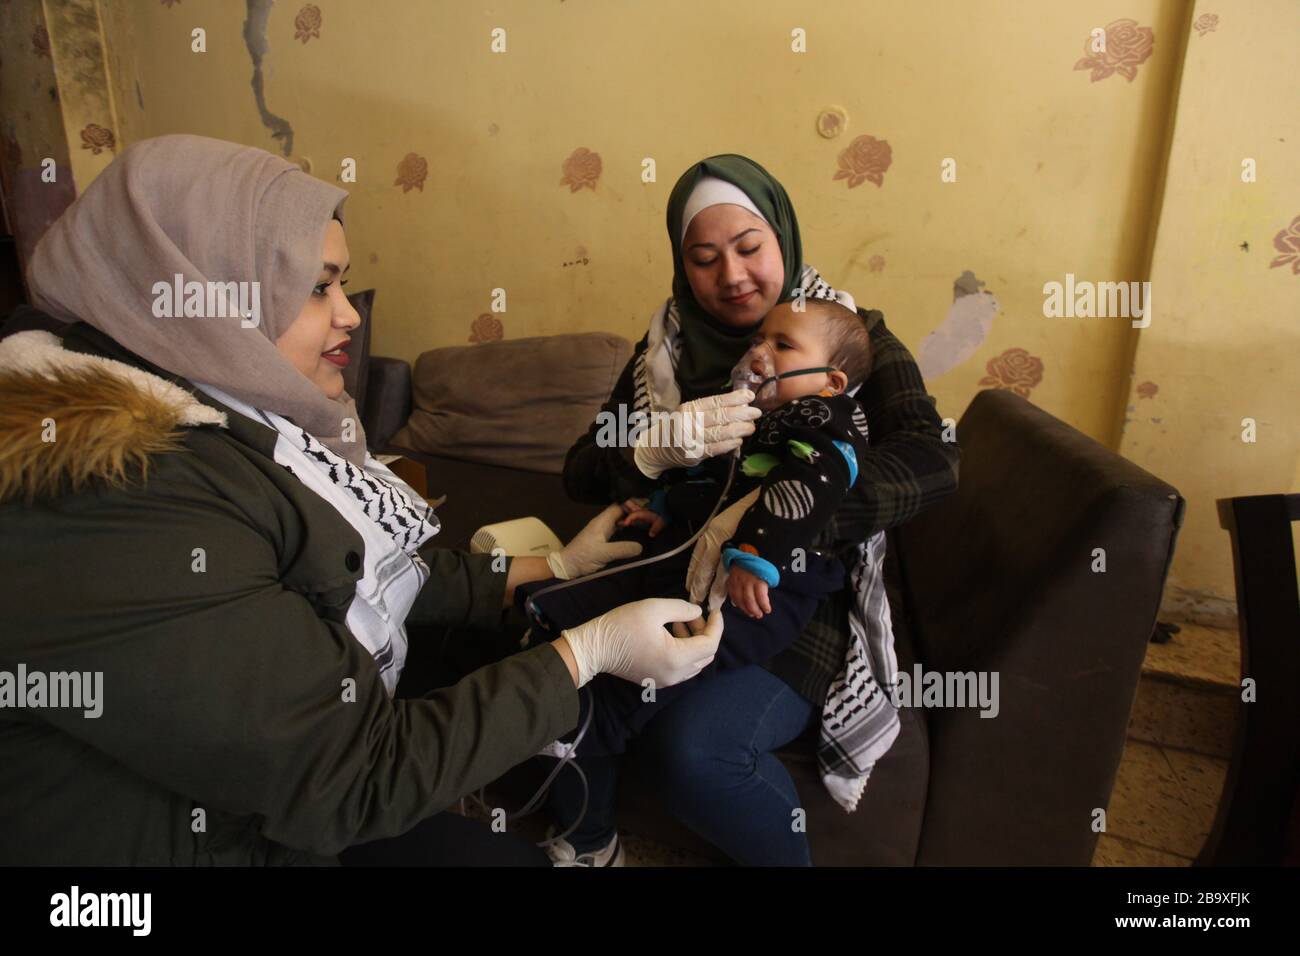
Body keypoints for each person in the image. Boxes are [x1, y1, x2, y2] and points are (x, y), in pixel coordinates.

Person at [0, 134, 722, 866]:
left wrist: (554, 569)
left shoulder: (220, 417)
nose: (348, 316)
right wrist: (586, 652)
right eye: (319, 287)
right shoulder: (119, 494)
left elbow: (343, 572)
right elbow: (349, 777)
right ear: (204, 294)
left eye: (342, 284)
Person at [556, 155, 960, 866]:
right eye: (705, 259)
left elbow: (932, 463)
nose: (733, 277)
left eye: (750, 249)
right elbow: (582, 469)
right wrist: (651, 455)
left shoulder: (849, 335)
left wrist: (775, 518)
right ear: (683, 267)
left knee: (692, 751)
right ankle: (586, 840)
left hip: (797, 592)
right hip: (680, 570)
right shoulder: (665, 352)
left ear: (783, 237)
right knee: (567, 673)